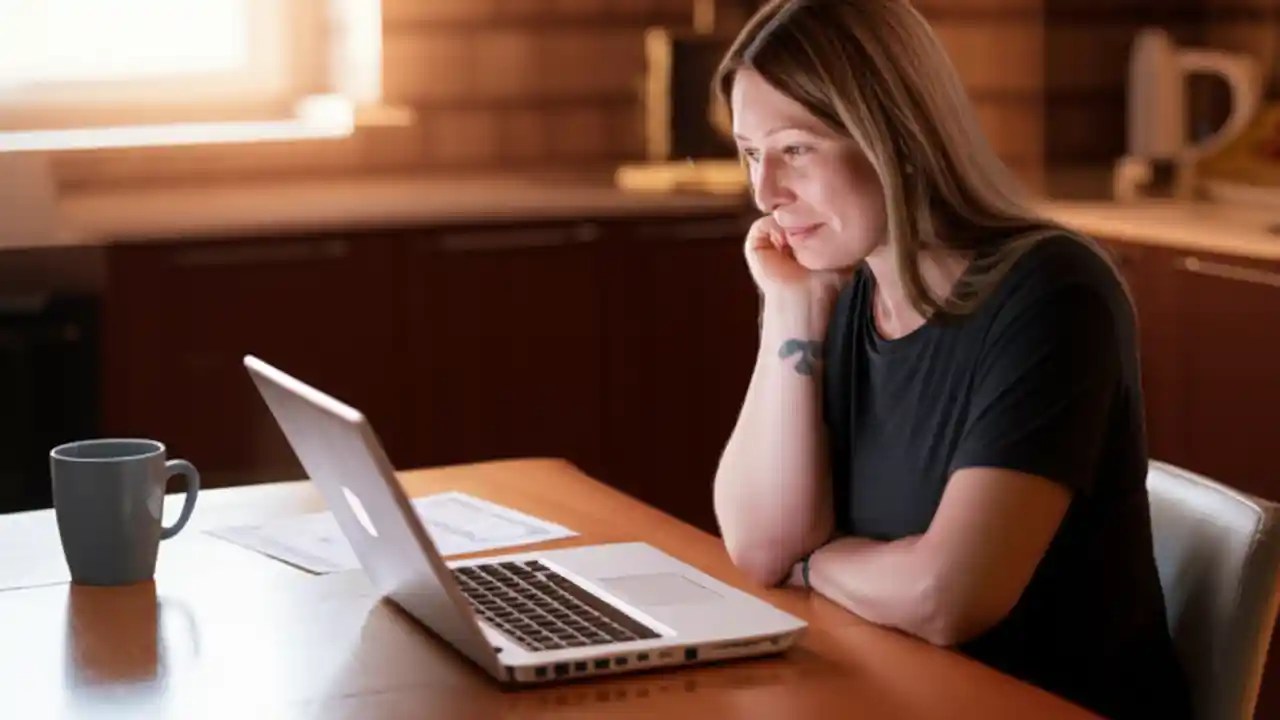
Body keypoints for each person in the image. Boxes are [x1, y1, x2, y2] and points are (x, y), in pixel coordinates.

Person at [709, 1, 1192, 718]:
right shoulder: (847, 288)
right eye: (752, 153)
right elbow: (758, 544)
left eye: (796, 149)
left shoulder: (1054, 294)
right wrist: (791, 313)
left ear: (893, 135)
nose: (765, 192)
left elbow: (947, 597)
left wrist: (817, 564)